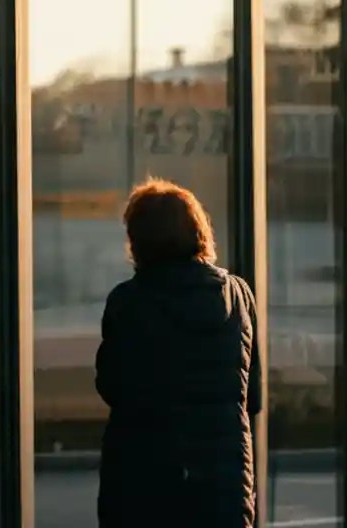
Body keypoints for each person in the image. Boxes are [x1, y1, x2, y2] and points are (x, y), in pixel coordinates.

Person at [95, 178, 262, 527]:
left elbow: (111, 386)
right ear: (199, 230)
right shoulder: (237, 296)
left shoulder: (127, 303)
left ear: (138, 240)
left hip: (141, 490)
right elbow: (253, 397)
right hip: (222, 493)